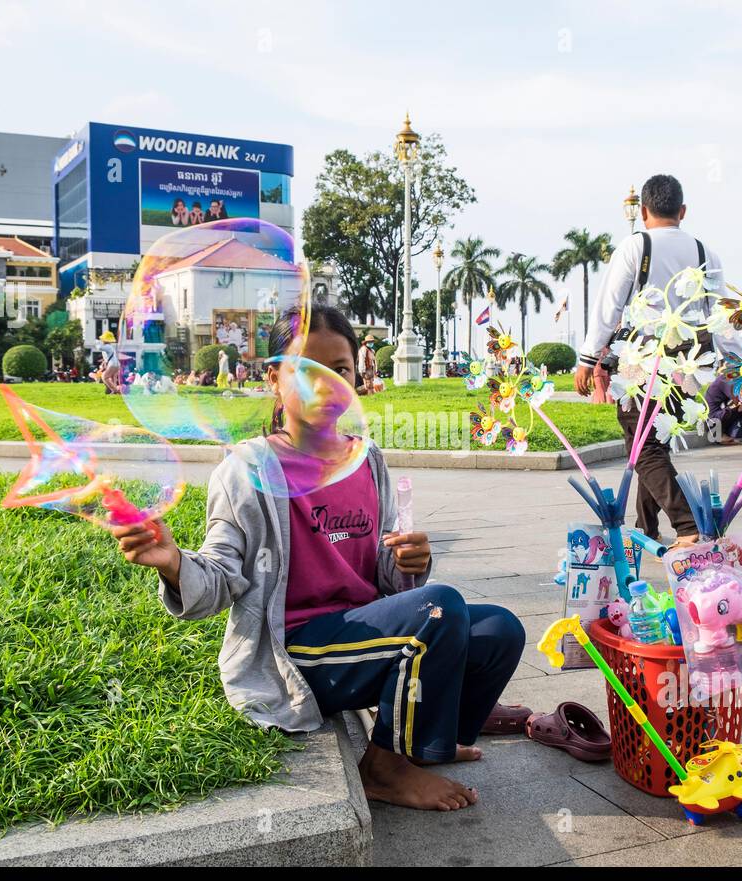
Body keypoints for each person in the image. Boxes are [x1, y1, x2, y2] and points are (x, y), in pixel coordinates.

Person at [112, 306, 524, 811]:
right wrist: (173, 562)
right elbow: (223, 578)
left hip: (363, 637)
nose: (326, 384)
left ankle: (426, 744)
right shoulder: (246, 469)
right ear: (273, 379)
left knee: (500, 630)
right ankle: (385, 768)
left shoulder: (367, 459)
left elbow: (390, 580)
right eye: (306, 370)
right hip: (298, 651)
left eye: (341, 370)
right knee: (439, 608)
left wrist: (410, 562)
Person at [574, 173, 722, 549]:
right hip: (690, 358)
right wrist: (732, 362)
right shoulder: (705, 252)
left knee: (643, 446)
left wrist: (589, 358)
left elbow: (609, 307)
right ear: (682, 210)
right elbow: (719, 313)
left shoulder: (634, 246)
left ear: (643, 211)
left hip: (645, 357)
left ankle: (689, 526)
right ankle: (645, 529)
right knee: (655, 439)